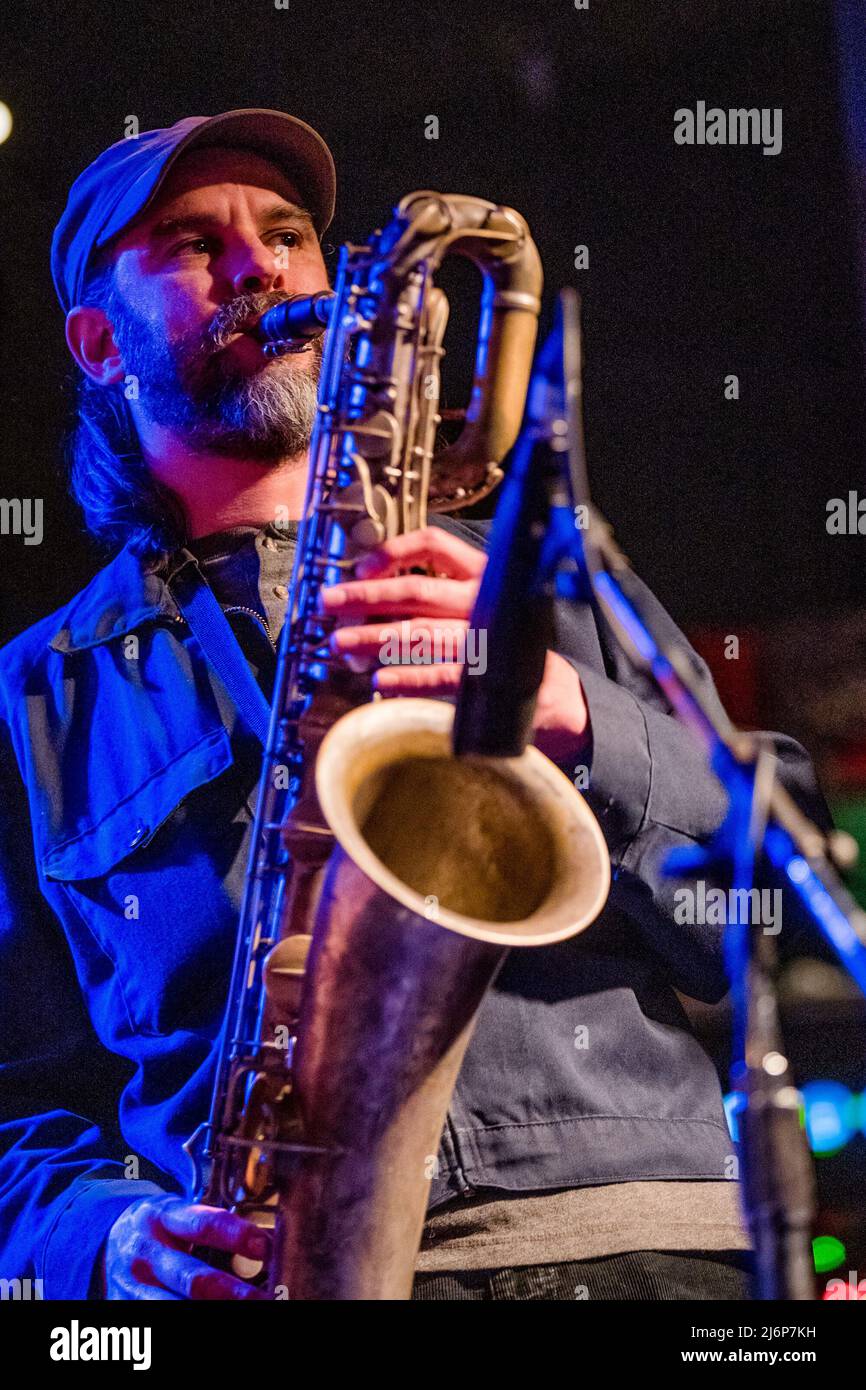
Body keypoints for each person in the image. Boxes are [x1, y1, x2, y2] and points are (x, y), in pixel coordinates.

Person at [0, 110, 824, 1301]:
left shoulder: (534, 572)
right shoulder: (35, 696)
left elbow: (775, 905)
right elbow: (16, 1113)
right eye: (192, 242)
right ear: (95, 343)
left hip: (647, 1244)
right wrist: (111, 1237)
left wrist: (571, 713)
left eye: (288, 233)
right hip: (300, 1269)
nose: (260, 265)